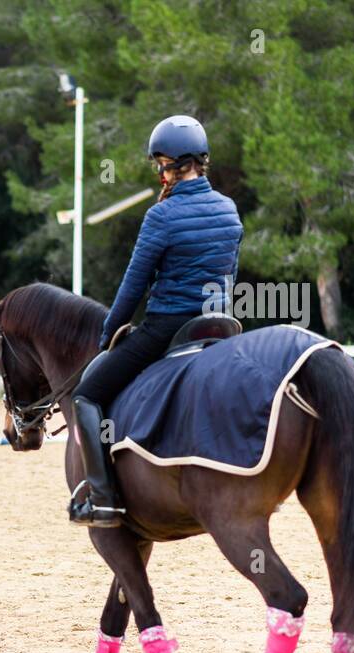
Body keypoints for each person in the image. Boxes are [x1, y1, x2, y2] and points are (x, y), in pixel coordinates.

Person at [69, 115, 243, 527]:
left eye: (158, 164)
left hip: (169, 328)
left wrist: (108, 334)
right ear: (201, 160)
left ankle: (104, 497)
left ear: (168, 162)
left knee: (86, 395)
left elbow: (132, 288)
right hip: (220, 326)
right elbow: (231, 273)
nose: (157, 171)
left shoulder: (161, 217)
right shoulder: (228, 208)